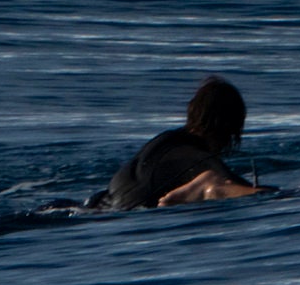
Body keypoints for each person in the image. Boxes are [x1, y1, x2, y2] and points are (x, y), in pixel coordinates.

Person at [97, 76, 264, 209]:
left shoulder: (163, 141)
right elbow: (241, 188)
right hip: (136, 212)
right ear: (230, 126)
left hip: (100, 206)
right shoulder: (200, 159)